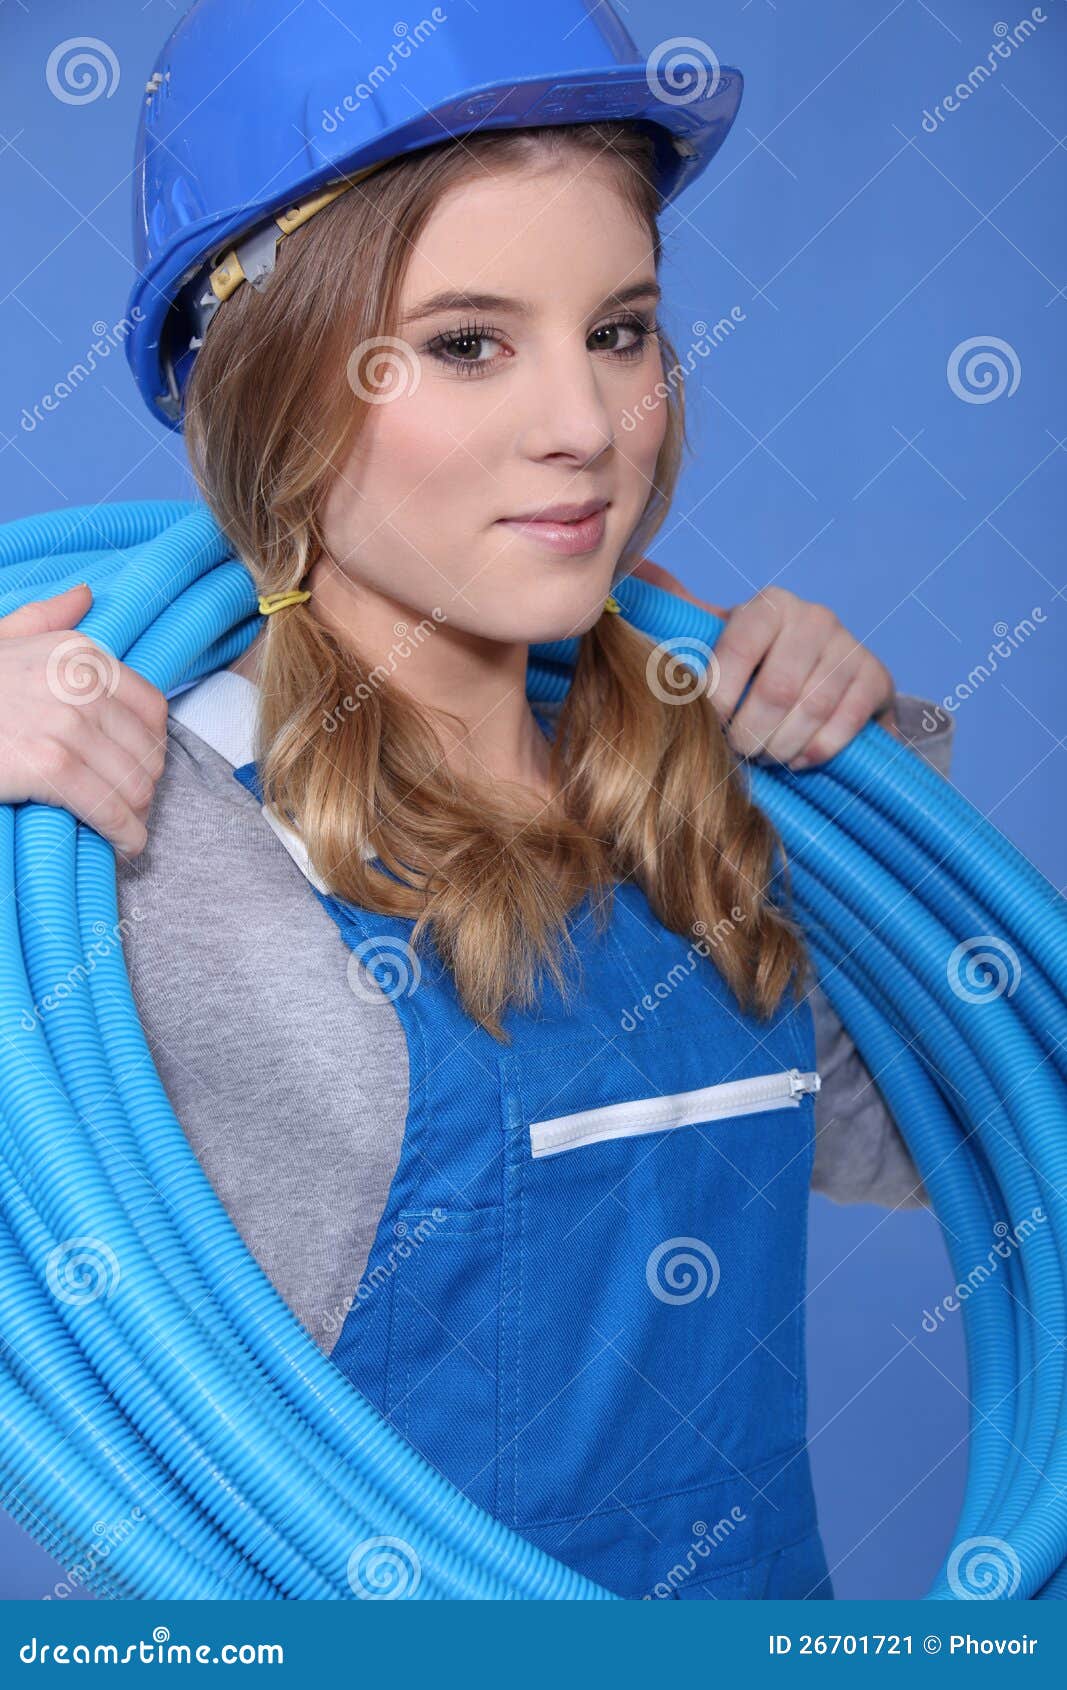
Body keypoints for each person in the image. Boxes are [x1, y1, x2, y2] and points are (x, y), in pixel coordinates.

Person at [0, 80, 953, 1605]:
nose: (582, 427)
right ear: (272, 383)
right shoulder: (124, 826)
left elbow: (962, 1142)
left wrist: (878, 795)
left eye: (620, 331)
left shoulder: (701, 798)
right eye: (465, 345)